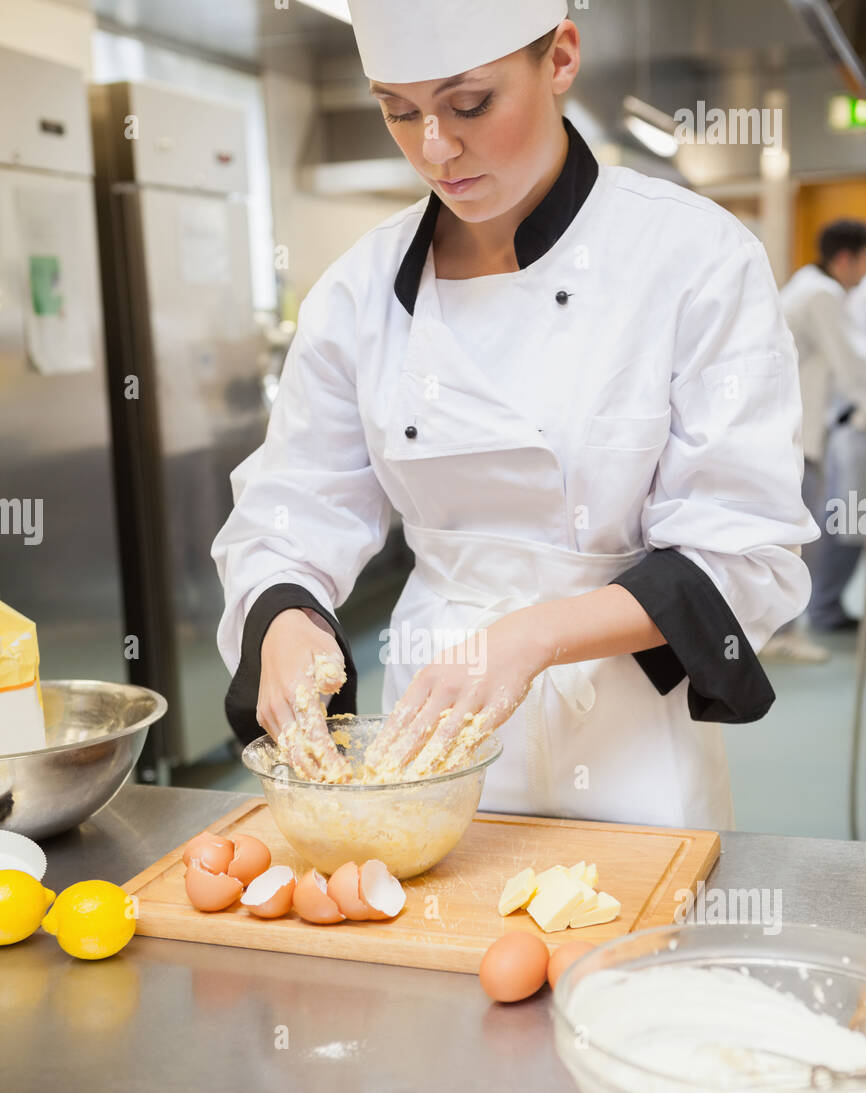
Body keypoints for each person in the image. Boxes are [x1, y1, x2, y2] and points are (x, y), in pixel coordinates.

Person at [212, 0, 818, 832]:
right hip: (426, 740)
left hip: (628, 742)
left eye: (470, 105)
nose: (435, 148)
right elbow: (291, 513)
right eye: (398, 110)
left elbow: (742, 549)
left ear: (561, 57)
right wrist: (283, 616)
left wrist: (533, 637)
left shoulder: (695, 259)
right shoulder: (356, 292)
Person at [766, 220, 866, 659]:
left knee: (797, 534)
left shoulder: (808, 286)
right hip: (796, 437)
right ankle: (780, 633)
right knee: (799, 536)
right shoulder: (822, 295)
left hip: (792, 432)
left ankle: (780, 630)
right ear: (845, 258)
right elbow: (851, 370)